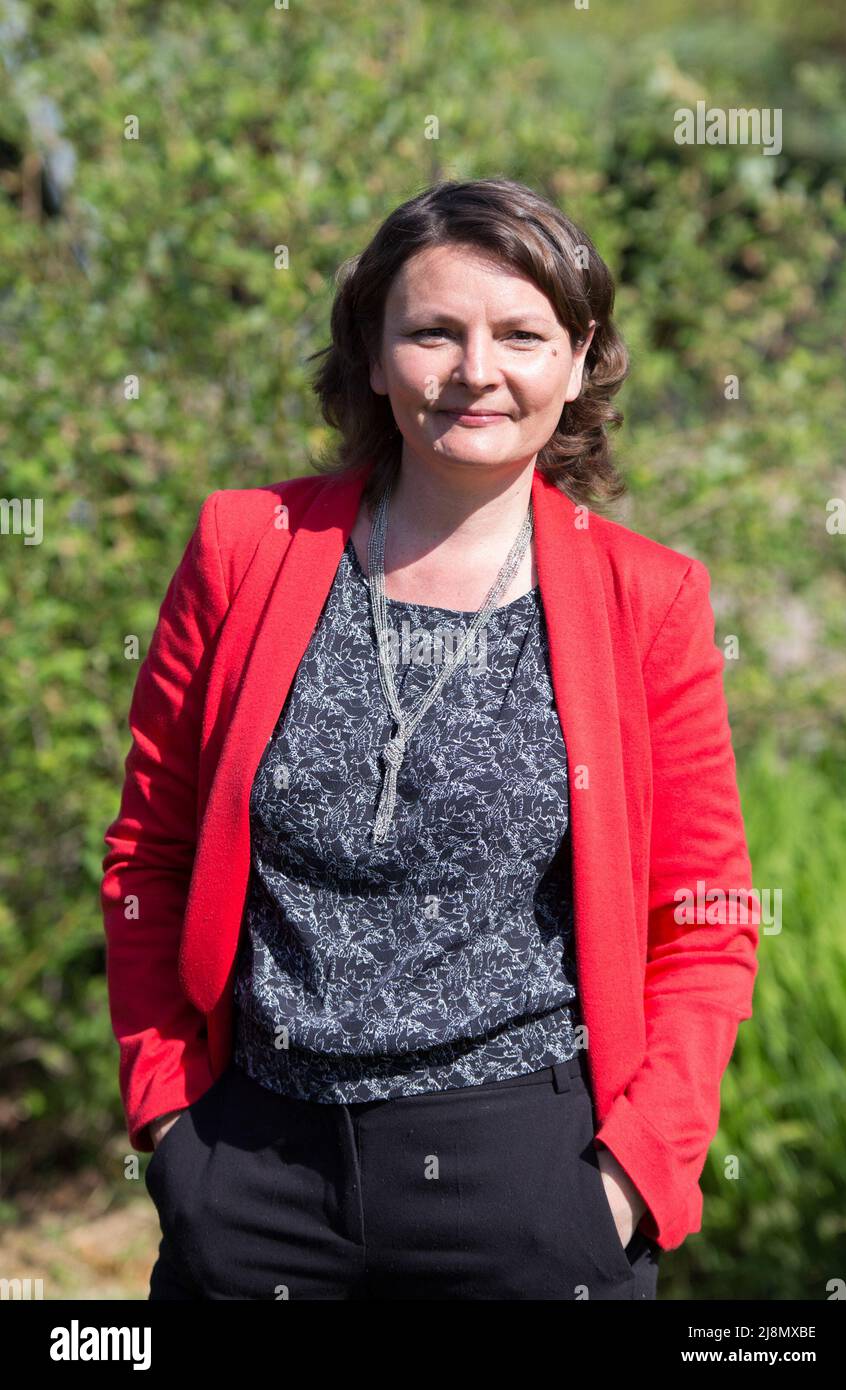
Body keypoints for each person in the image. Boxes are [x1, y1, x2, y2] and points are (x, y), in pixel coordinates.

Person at [101, 176, 759, 1301]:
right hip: (255, 1170)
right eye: (433, 331)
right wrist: (171, 1123)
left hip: (534, 1185)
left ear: (576, 356)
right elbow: (147, 863)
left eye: (520, 334)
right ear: (371, 352)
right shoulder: (241, 549)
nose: (476, 371)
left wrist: (632, 1179)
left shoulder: (644, 596)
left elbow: (701, 921)